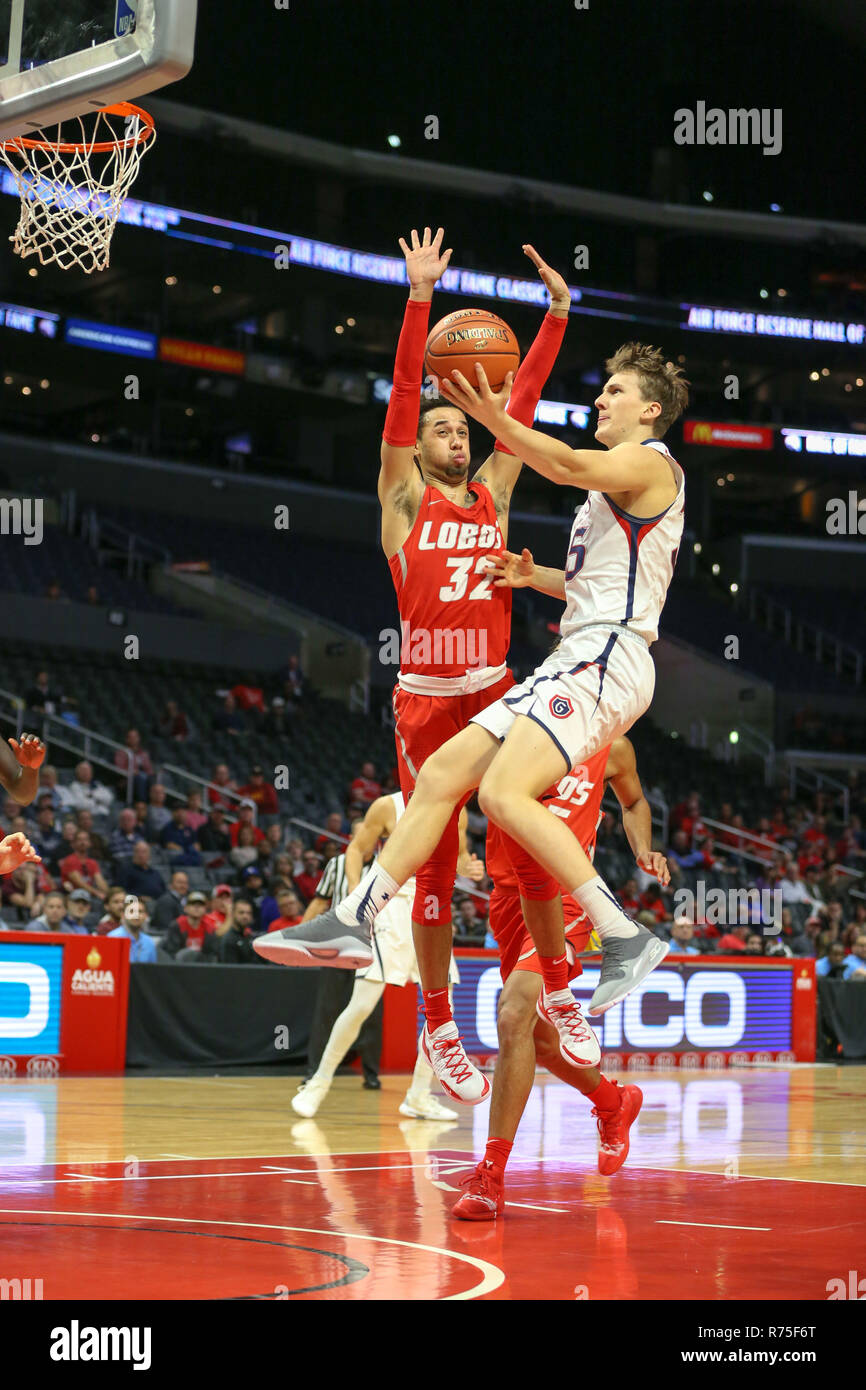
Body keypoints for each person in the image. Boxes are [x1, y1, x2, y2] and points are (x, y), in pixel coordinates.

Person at [260, 327, 688, 1102]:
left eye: (614, 392)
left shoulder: (640, 463)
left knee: (501, 804)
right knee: (447, 792)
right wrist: (539, 576)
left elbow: (552, 453)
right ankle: (355, 923)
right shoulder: (408, 497)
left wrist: (550, 328)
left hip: (589, 662)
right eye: (444, 426)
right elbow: (599, 575)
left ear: (649, 409)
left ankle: (615, 941)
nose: (600, 398)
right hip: (467, 680)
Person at [453, 737, 666, 1219]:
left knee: (513, 1013)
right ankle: (614, 1104)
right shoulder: (513, 728)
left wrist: (644, 849)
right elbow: (451, 789)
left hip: (567, 894)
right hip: (508, 900)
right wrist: (459, 853)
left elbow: (633, 801)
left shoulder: (613, 747)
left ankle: (491, 1176)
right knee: (542, 1044)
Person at [278, 795, 482, 1122]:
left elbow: (457, 858)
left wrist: (468, 867)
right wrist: (361, 893)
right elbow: (356, 850)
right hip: (391, 903)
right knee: (362, 1003)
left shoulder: (455, 809)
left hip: (432, 904)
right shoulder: (389, 805)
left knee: (444, 1010)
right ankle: (318, 1082)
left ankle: (418, 1094)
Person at [108, 895, 157, 963]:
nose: (136, 915)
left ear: (145, 916)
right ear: (123, 914)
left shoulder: (149, 942)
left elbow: (153, 971)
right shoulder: (113, 938)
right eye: (131, 911)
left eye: (140, 911)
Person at [116, 840, 166, 906]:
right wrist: (138, 897)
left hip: (158, 903)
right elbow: (120, 891)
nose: (140, 855)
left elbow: (164, 890)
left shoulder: (155, 872)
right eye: (137, 851)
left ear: (149, 855)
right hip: (138, 904)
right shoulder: (126, 870)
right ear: (133, 853)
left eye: (144, 852)